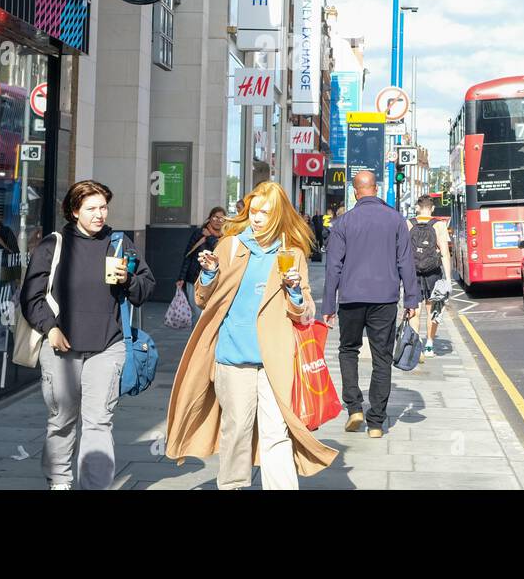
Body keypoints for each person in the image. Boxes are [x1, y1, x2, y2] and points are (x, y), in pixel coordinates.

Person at [165, 181, 338, 489]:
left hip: (277, 360)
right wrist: (208, 273)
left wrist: (296, 292)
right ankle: (232, 485)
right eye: (254, 211)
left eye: (265, 212)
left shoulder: (291, 253)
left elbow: (304, 311)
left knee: (277, 431)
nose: (257, 218)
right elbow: (204, 300)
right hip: (233, 355)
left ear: (279, 215)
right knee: (237, 429)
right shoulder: (231, 245)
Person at [18, 180, 155, 490]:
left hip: (107, 346)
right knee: (61, 421)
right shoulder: (53, 245)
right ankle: (60, 482)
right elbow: (31, 296)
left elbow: (146, 288)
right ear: (74, 210)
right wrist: (49, 328)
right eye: (91, 208)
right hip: (61, 349)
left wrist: (129, 279)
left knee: (98, 422)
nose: (99, 214)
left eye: (103, 207)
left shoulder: (120, 243)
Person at [321, 170, 418, 438]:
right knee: (381, 358)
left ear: (355, 192)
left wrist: (328, 306)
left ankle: (354, 407)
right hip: (384, 300)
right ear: (375, 189)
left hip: (351, 299)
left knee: (348, 350)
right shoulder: (396, 220)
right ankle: (376, 422)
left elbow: (333, 268)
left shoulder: (342, 223)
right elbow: (405, 262)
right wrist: (411, 298)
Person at [407, 194, 452, 358]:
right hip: (433, 273)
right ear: (432, 208)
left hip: (412, 273)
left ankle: (415, 344)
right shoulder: (439, 225)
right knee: (433, 309)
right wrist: (448, 279)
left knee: (414, 310)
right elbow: (445, 254)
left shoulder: (408, 223)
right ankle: (429, 345)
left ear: (417, 208)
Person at [177, 207, 226, 323]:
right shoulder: (199, 233)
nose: (218, 220)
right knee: (198, 314)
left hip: (214, 281)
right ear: (210, 218)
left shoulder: (225, 236)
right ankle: (197, 340)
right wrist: (181, 278)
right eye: (215, 217)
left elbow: (218, 248)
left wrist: (209, 237)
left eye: (222, 218)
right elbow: (188, 255)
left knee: (212, 315)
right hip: (194, 279)